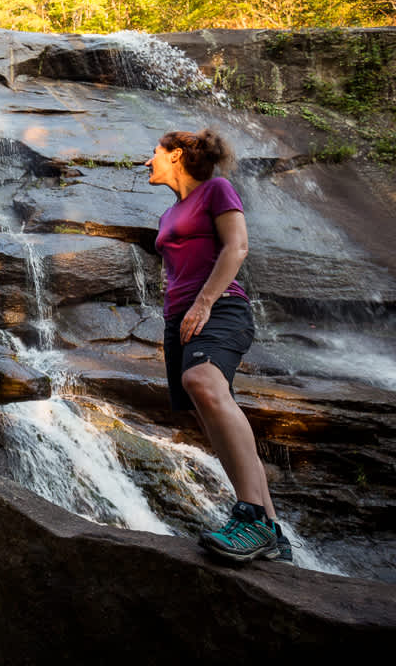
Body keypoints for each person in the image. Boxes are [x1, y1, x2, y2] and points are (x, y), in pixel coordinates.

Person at [146, 128, 291, 564]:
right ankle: (271, 528)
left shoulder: (216, 190)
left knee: (203, 383)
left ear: (175, 155)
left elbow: (237, 246)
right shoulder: (169, 213)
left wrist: (204, 302)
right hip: (179, 320)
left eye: (154, 153)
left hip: (219, 307)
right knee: (210, 411)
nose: (147, 161)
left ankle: (250, 517)